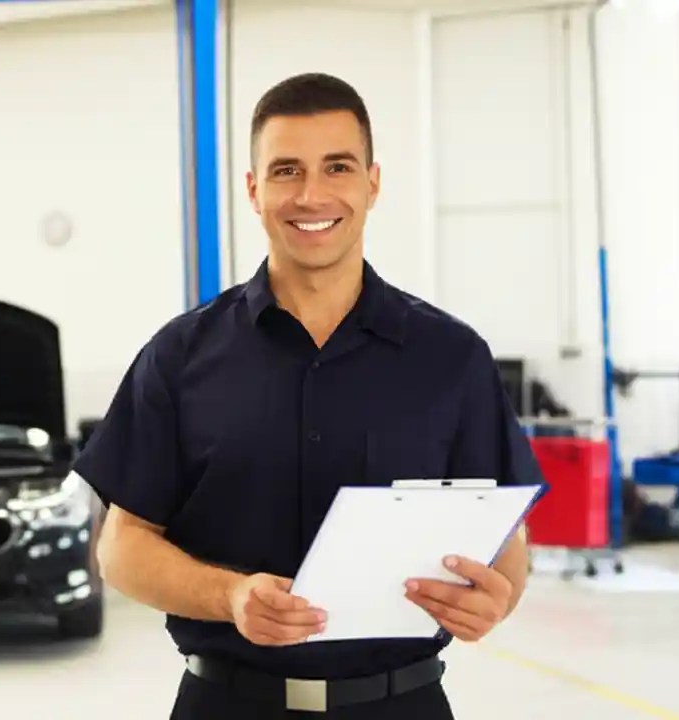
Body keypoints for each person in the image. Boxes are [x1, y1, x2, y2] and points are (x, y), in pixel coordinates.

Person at [73, 72, 544, 718]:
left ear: (372, 183)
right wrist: (231, 596)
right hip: (226, 702)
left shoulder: (450, 358)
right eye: (287, 170)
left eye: (338, 167)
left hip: (401, 704)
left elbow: (506, 544)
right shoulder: (180, 356)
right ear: (253, 189)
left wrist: (498, 596)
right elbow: (120, 548)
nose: (312, 194)